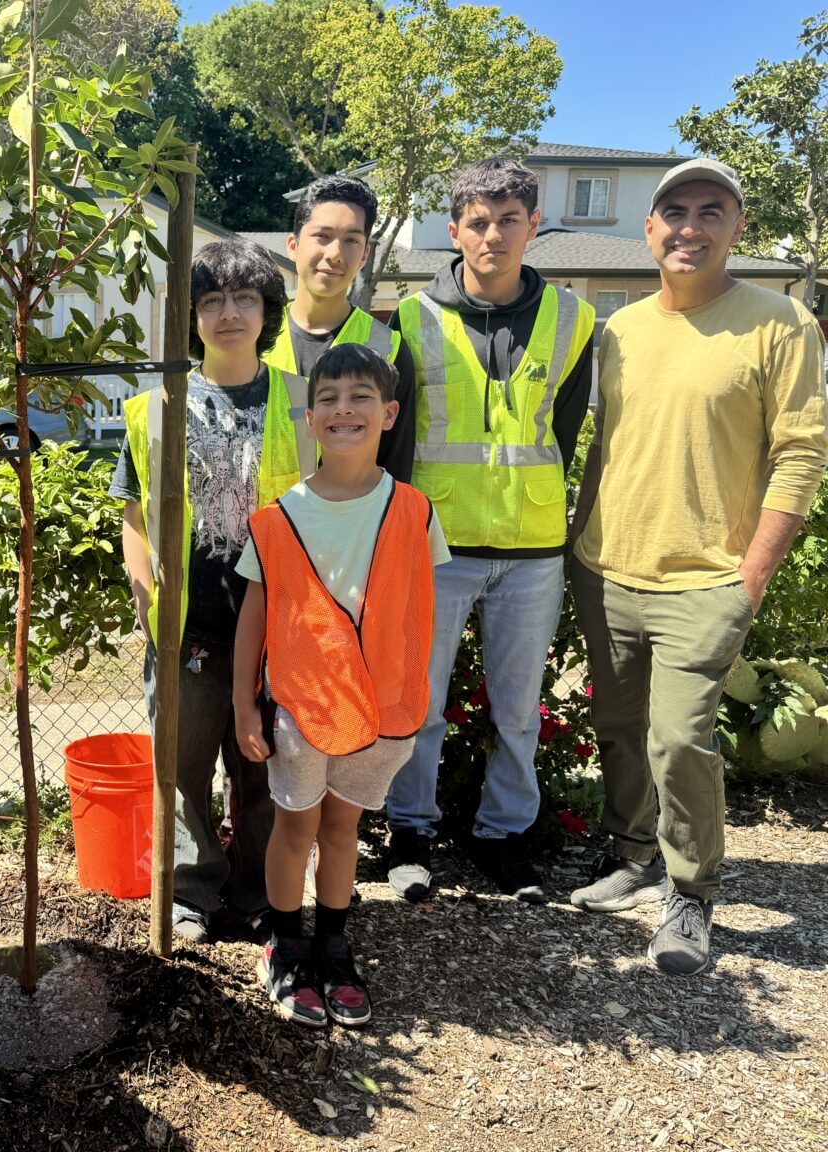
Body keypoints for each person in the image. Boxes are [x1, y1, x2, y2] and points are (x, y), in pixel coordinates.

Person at [568, 159, 827, 975]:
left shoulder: (779, 322)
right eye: (674, 211)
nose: (690, 226)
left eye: (710, 210)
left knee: (680, 739)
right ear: (648, 229)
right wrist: (576, 547)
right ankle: (632, 853)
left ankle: (691, 890)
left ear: (736, 227)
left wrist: (752, 576)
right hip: (607, 568)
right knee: (619, 729)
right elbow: (607, 447)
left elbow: (801, 453)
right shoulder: (620, 329)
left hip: (708, 577)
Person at [385, 157, 595, 903]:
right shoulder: (411, 318)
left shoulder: (573, 318)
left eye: (510, 220)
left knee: (517, 712)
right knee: (419, 706)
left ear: (534, 226)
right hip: (437, 545)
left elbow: (563, 431)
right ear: (455, 231)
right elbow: (396, 436)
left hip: (532, 549)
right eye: (478, 222)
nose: (494, 236)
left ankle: (502, 835)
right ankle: (410, 833)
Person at [233, 343, 449, 1027]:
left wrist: (414, 691)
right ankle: (284, 944)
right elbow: (255, 616)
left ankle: (333, 943)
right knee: (294, 826)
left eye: (360, 397)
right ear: (310, 417)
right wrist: (243, 704)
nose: (343, 409)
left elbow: (417, 610)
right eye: (327, 397)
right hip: (301, 706)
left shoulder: (414, 510)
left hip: (381, 709)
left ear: (389, 414)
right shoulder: (280, 516)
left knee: (342, 827)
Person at [112, 237, 299, 943]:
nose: (229, 314)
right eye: (212, 300)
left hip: (279, 630)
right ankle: (189, 892)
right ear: (190, 317)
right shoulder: (154, 407)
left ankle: (260, 893)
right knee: (182, 770)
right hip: (188, 628)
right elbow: (134, 514)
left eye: (245, 298)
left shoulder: (301, 401)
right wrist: (143, 594)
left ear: (266, 310)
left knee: (263, 773)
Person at [264, 174, 416, 482]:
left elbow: (395, 472)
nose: (334, 254)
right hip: (257, 513)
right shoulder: (253, 336)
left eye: (351, 241)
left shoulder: (389, 349)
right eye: (322, 236)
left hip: (352, 515)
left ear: (364, 255)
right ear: (293, 246)